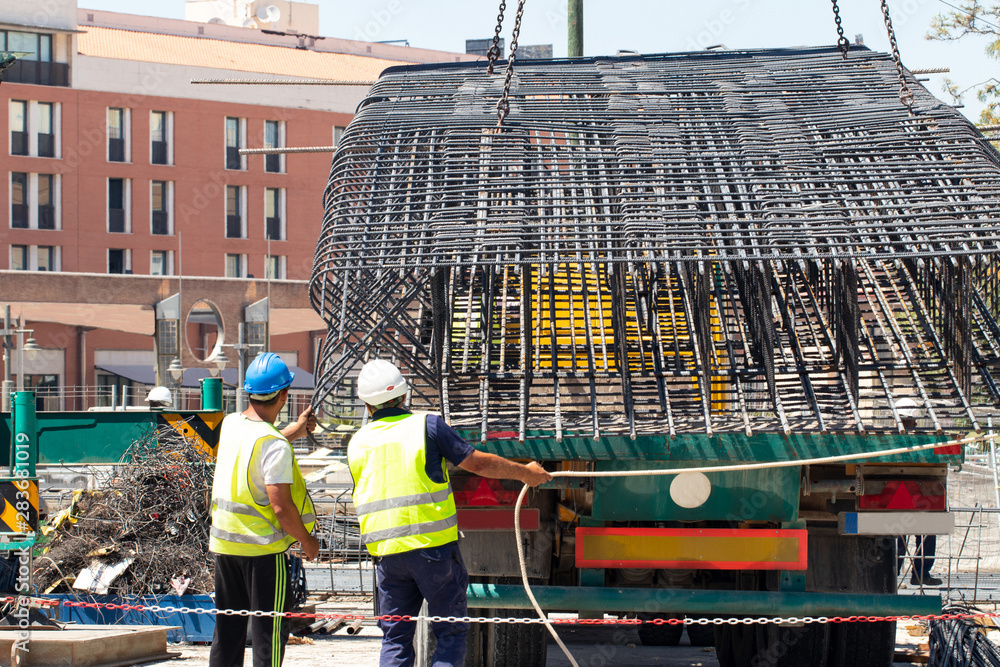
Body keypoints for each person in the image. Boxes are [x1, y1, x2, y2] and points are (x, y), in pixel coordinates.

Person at [349, 359, 552, 667]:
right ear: (404, 395)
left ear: (366, 403)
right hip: (432, 552)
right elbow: (478, 464)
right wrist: (526, 473)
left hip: (387, 556)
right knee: (450, 633)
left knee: (395, 638)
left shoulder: (357, 442)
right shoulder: (426, 425)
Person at [209, 352, 320, 667]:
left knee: (227, 633)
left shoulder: (231, 424)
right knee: (268, 637)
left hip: (226, 546)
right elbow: (281, 506)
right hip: (262, 552)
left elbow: (255, 447)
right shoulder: (274, 445)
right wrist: (307, 541)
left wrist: (295, 431)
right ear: (284, 394)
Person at [894, 397, 942, 587]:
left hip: (896, 492)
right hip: (920, 492)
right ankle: (920, 573)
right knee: (926, 531)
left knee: (895, 534)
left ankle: (892, 574)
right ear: (914, 420)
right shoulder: (923, 440)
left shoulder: (889, 437)